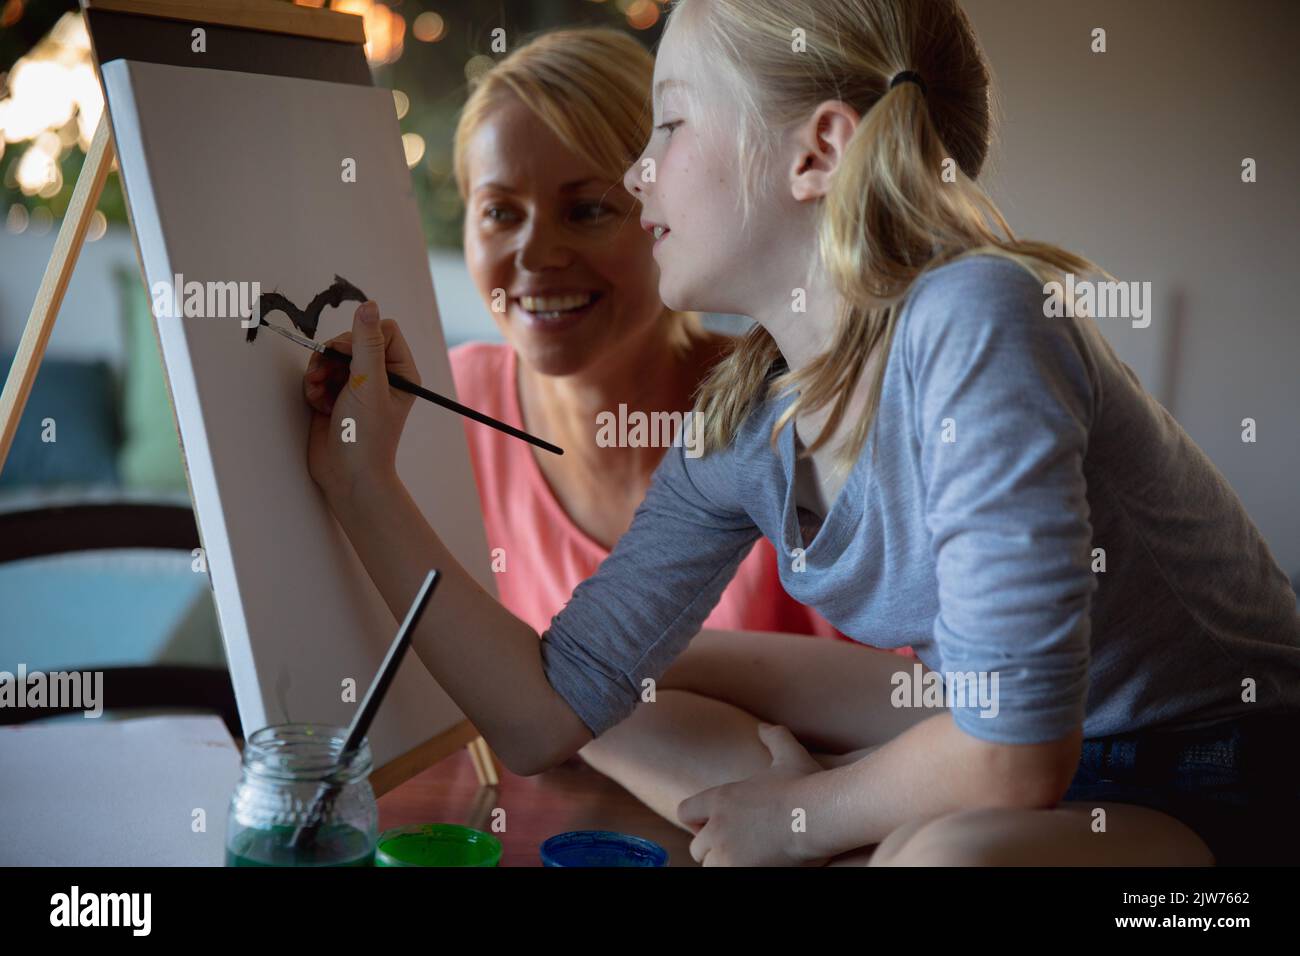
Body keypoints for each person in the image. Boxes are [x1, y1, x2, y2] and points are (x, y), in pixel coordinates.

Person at [303, 0, 1300, 865]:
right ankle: (870, 813)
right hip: (995, 719)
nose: (641, 174)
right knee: (636, 682)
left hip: (1207, 758)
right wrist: (361, 485)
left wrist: (797, 811)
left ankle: (871, 821)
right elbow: (537, 717)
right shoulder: (746, 420)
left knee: (941, 855)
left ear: (816, 151)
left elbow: (1016, 743)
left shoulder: (976, 315)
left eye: (669, 128)